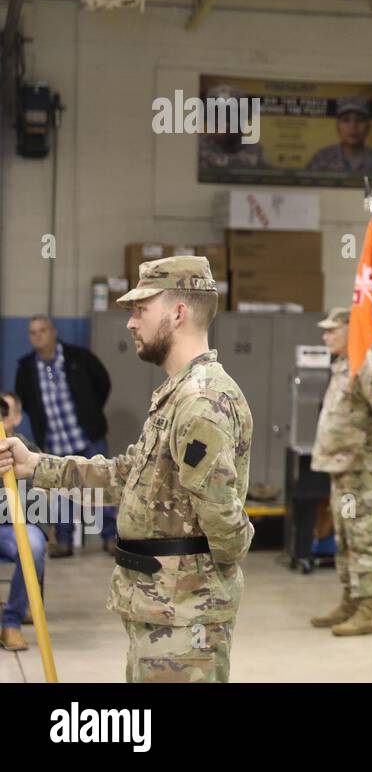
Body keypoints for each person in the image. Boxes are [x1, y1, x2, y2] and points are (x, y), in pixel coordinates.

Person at [0, 256, 253, 682]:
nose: (131, 323)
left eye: (141, 309)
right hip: (160, 609)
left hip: (183, 618)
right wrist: (36, 465)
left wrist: (210, 578)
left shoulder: (201, 403)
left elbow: (225, 528)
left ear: (178, 312)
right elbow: (125, 475)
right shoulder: (176, 396)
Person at [307, 307, 372, 637]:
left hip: (359, 470)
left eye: (333, 329)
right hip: (342, 471)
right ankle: (349, 600)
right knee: (346, 538)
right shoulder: (343, 366)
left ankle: (366, 610)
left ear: (353, 329)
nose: (326, 335)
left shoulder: (367, 365)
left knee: (363, 537)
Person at [14, 314, 115, 555]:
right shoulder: (26, 367)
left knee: (99, 486)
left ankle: (111, 537)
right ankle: (63, 540)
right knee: (61, 492)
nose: (38, 336)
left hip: (87, 437)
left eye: (42, 330)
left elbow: (103, 384)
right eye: (33, 332)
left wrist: (90, 411)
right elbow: (26, 401)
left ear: (53, 332)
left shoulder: (78, 357)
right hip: (55, 441)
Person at [0, 392, 47, 653]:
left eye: (4, 411)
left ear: (16, 417)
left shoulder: (26, 449)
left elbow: (43, 500)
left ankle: (11, 622)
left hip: (13, 527)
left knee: (33, 544)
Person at [305, 95, 372, 176]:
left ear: (368, 127)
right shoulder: (321, 159)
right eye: (346, 119)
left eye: (360, 120)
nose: (353, 126)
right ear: (337, 127)